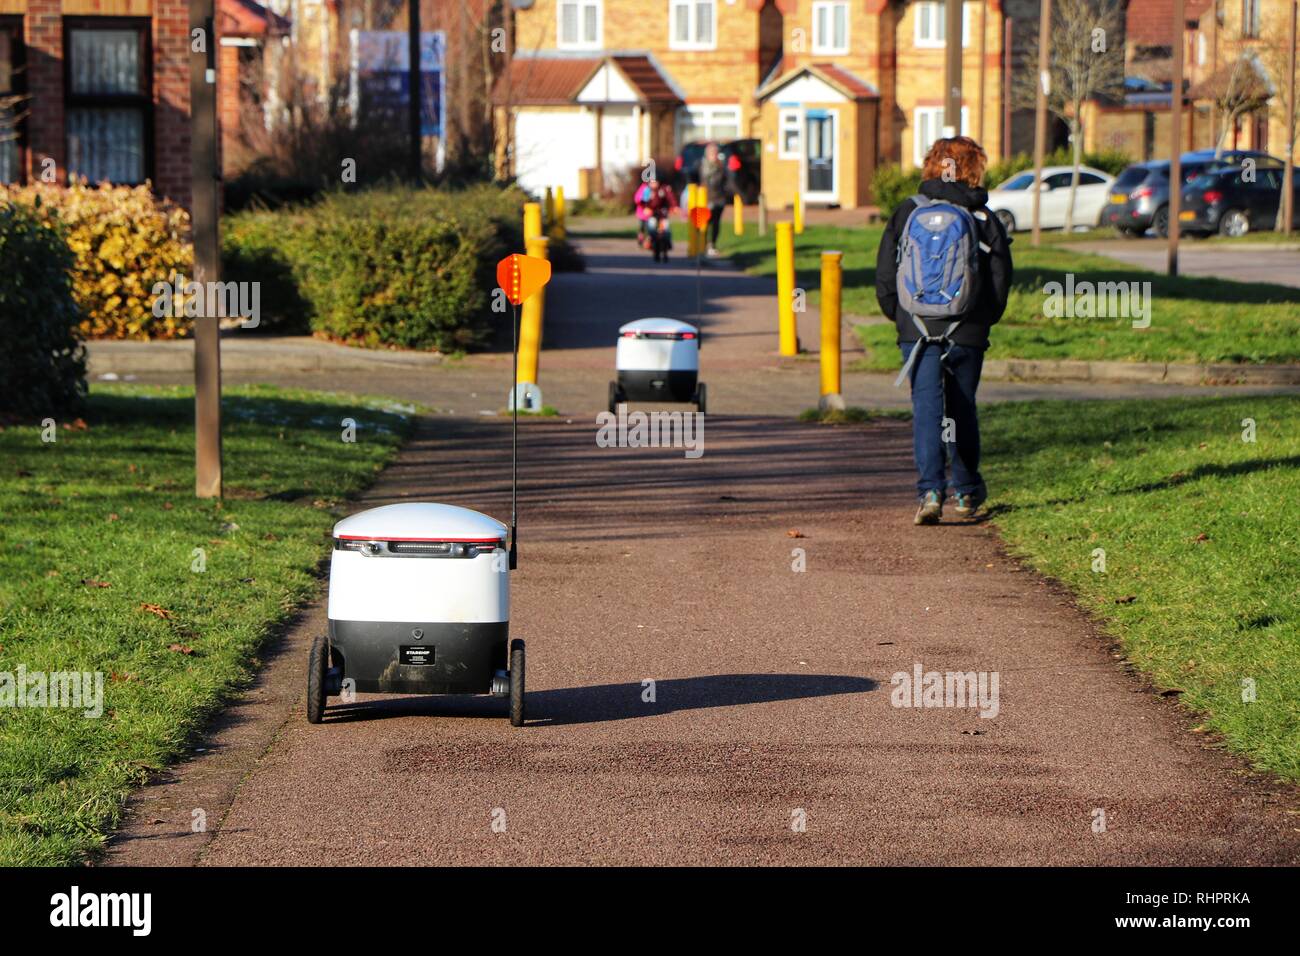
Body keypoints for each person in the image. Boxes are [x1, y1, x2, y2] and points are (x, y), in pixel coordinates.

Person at [875, 136, 1013, 526]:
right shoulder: (985, 218)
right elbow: (1000, 277)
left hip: (916, 328)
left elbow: (886, 273)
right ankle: (967, 492)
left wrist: (899, 317)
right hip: (966, 328)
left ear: (932, 165)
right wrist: (984, 319)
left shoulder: (907, 211)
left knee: (927, 411)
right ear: (974, 169)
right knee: (962, 408)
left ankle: (931, 491)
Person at [694, 142, 729, 257]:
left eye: (715, 153)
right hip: (704, 199)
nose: (714, 155)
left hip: (718, 198)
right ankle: (701, 245)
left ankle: (712, 245)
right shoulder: (700, 165)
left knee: (715, 223)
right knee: (703, 222)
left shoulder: (721, 166)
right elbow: (695, 179)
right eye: (712, 153)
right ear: (707, 154)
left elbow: (726, 182)